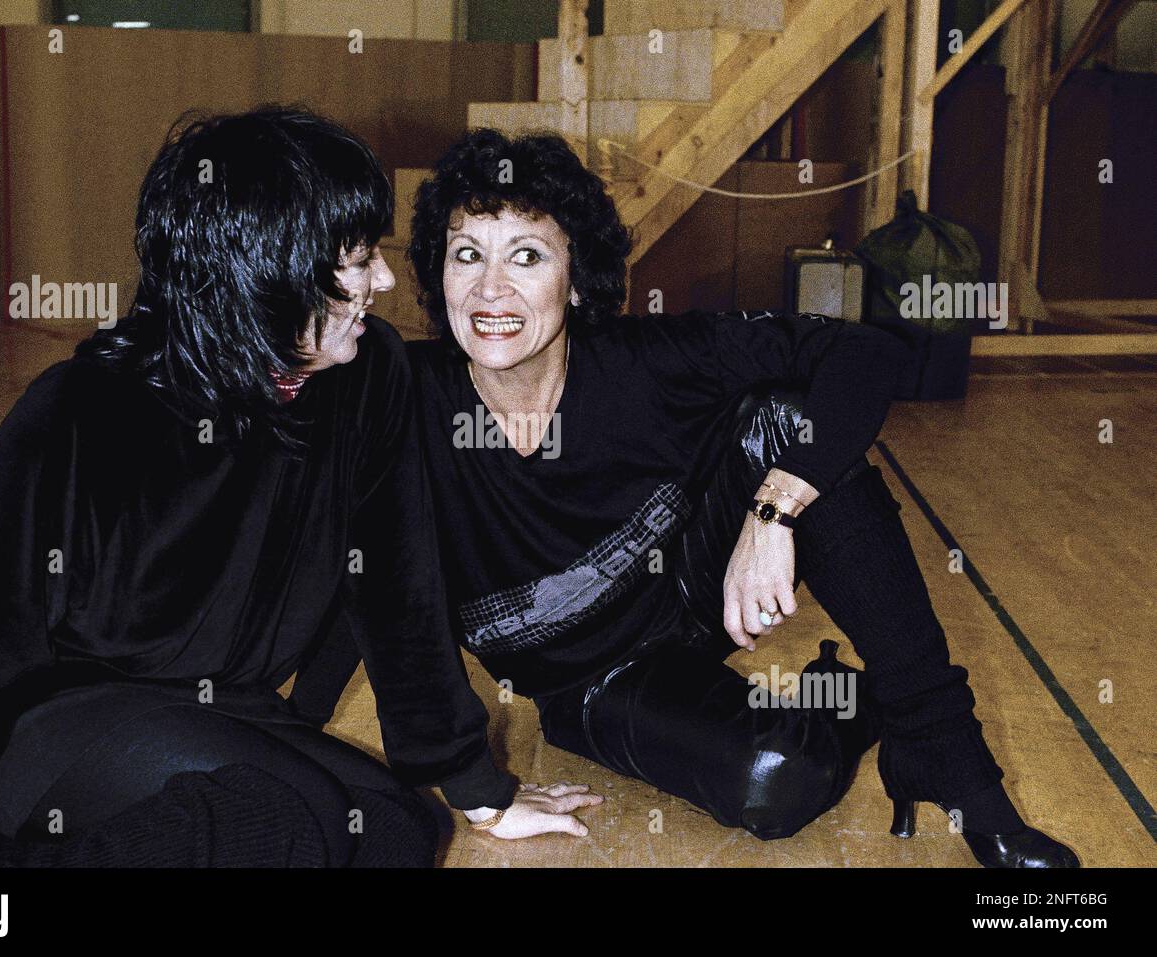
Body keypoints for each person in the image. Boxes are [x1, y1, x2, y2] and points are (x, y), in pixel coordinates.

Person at [291, 128, 1079, 867]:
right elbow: (362, 585)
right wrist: (302, 747)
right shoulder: (400, 398)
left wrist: (774, 508)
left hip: (695, 593)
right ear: (437, 271)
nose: (491, 289)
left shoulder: (649, 362)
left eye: (527, 255)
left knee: (792, 420)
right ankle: (857, 702)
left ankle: (946, 754)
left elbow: (864, 352)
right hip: (588, 684)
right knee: (777, 778)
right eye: (467, 254)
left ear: (575, 275)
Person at [0, 108, 600, 869]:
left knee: (393, 827)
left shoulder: (369, 375)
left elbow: (394, 590)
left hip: (220, 714)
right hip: (56, 730)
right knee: (290, 822)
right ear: (265, 274)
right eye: (354, 257)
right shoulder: (81, 411)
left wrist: (475, 786)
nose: (383, 277)